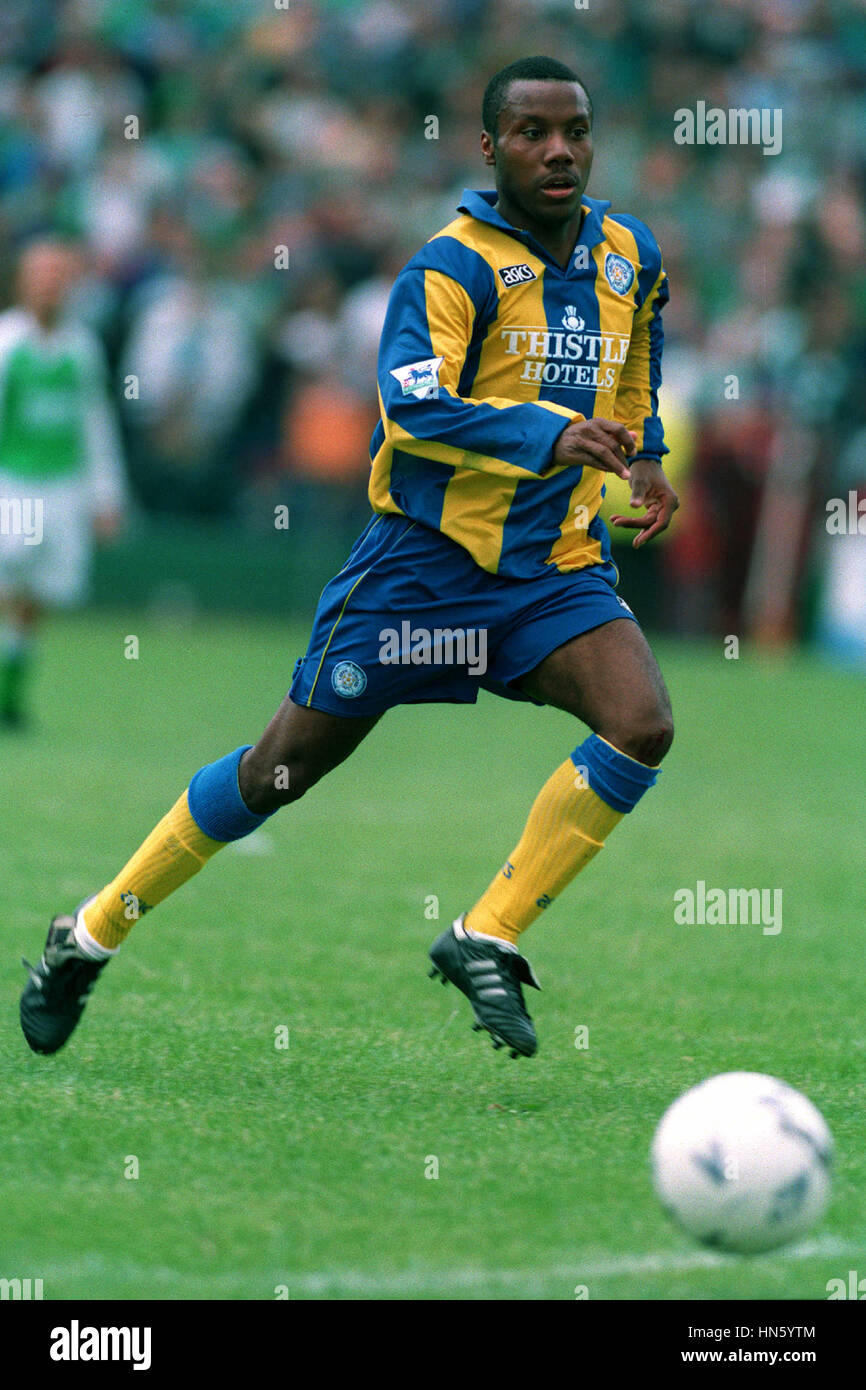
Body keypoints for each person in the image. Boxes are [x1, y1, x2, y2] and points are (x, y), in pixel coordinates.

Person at [20, 56, 678, 1061]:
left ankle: (484, 932)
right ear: (490, 147)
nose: (559, 151)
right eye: (535, 133)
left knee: (639, 723)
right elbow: (411, 409)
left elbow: (636, 360)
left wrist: (651, 456)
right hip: (418, 571)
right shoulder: (448, 267)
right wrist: (551, 434)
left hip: (551, 567)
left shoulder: (629, 253)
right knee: (276, 772)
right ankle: (92, 931)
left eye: (575, 132)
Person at [0, 238, 125, 728]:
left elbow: (95, 423)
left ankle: (10, 689)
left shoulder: (82, 347)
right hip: (15, 484)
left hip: (62, 487)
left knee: (41, 592)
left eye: (59, 276)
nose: (51, 285)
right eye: (42, 274)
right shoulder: (7, 342)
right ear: (22, 281)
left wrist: (106, 495)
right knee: (10, 577)